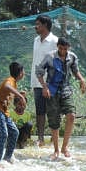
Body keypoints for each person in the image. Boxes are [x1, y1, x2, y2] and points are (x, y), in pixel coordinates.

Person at [36, 37, 86, 159]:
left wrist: (81, 79)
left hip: (66, 89)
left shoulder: (72, 57)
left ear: (68, 48)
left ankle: (65, 147)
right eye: (61, 48)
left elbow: (75, 71)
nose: (63, 51)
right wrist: (44, 87)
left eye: (65, 49)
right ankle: (56, 150)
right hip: (51, 91)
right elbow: (39, 72)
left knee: (71, 115)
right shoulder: (50, 56)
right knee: (54, 120)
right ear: (57, 46)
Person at [0, 61, 26, 166]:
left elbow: (8, 92)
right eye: (23, 71)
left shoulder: (14, 83)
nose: (24, 73)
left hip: (4, 111)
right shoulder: (10, 80)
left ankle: (8, 157)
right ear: (20, 73)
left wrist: (19, 94)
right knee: (4, 134)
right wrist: (20, 96)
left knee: (15, 132)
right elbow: (6, 85)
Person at [30, 15, 58, 148]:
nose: (36, 26)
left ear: (45, 25)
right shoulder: (36, 40)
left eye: (38, 24)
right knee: (40, 111)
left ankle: (54, 138)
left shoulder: (54, 41)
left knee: (53, 110)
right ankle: (40, 138)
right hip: (37, 81)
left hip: (51, 82)